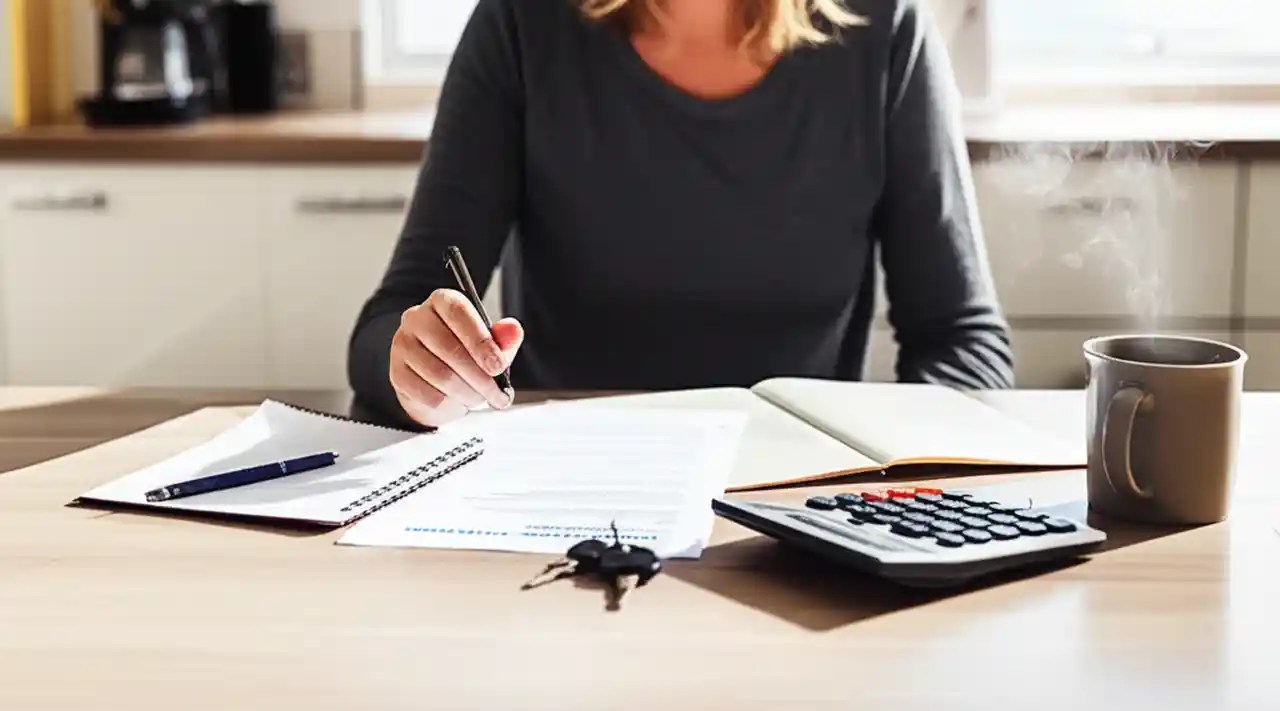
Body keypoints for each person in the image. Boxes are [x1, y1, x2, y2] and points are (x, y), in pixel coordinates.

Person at [348, 0, 1013, 430]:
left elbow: (964, 344)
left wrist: (881, 477)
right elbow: (391, 321)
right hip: (571, 496)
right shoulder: (523, 22)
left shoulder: (883, 29)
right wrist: (419, 368)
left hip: (801, 516)